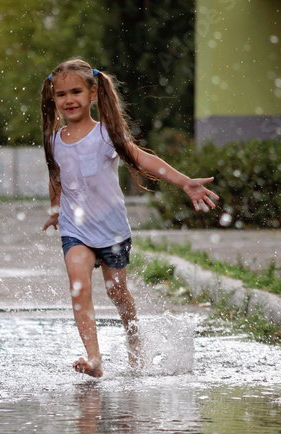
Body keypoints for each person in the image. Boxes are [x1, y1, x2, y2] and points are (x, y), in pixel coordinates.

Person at [41, 58, 219, 377]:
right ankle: (94, 359)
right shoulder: (55, 141)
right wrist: (55, 210)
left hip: (111, 231)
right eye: (61, 94)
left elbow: (143, 159)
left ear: (93, 93)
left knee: (116, 292)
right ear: (53, 98)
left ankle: (132, 333)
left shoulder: (106, 135)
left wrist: (184, 182)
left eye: (76, 91)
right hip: (75, 229)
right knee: (79, 286)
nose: (68, 100)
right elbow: (57, 177)